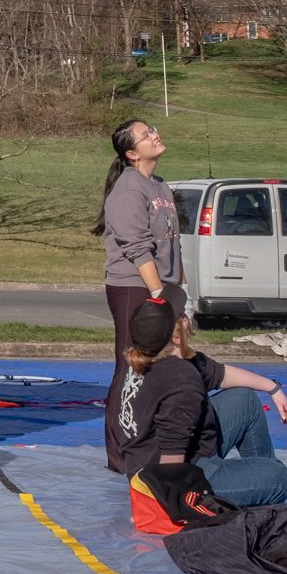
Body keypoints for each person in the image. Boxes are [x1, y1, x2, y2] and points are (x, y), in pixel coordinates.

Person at [103, 291, 287, 505]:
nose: (188, 316)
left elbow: (220, 373)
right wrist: (169, 505)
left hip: (154, 460)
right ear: (177, 336)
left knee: (245, 400)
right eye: (183, 315)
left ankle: (258, 480)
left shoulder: (147, 355)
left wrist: (273, 389)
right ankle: (264, 484)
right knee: (279, 477)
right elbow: (171, 460)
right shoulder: (182, 382)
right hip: (175, 479)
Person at [96, 119, 185, 395]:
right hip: (134, 288)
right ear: (132, 154)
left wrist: (183, 296)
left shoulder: (161, 186)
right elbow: (137, 248)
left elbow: (173, 244)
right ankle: (121, 435)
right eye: (146, 135)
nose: (155, 135)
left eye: (152, 130)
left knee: (162, 368)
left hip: (161, 289)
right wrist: (160, 294)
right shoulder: (129, 188)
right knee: (131, 368)